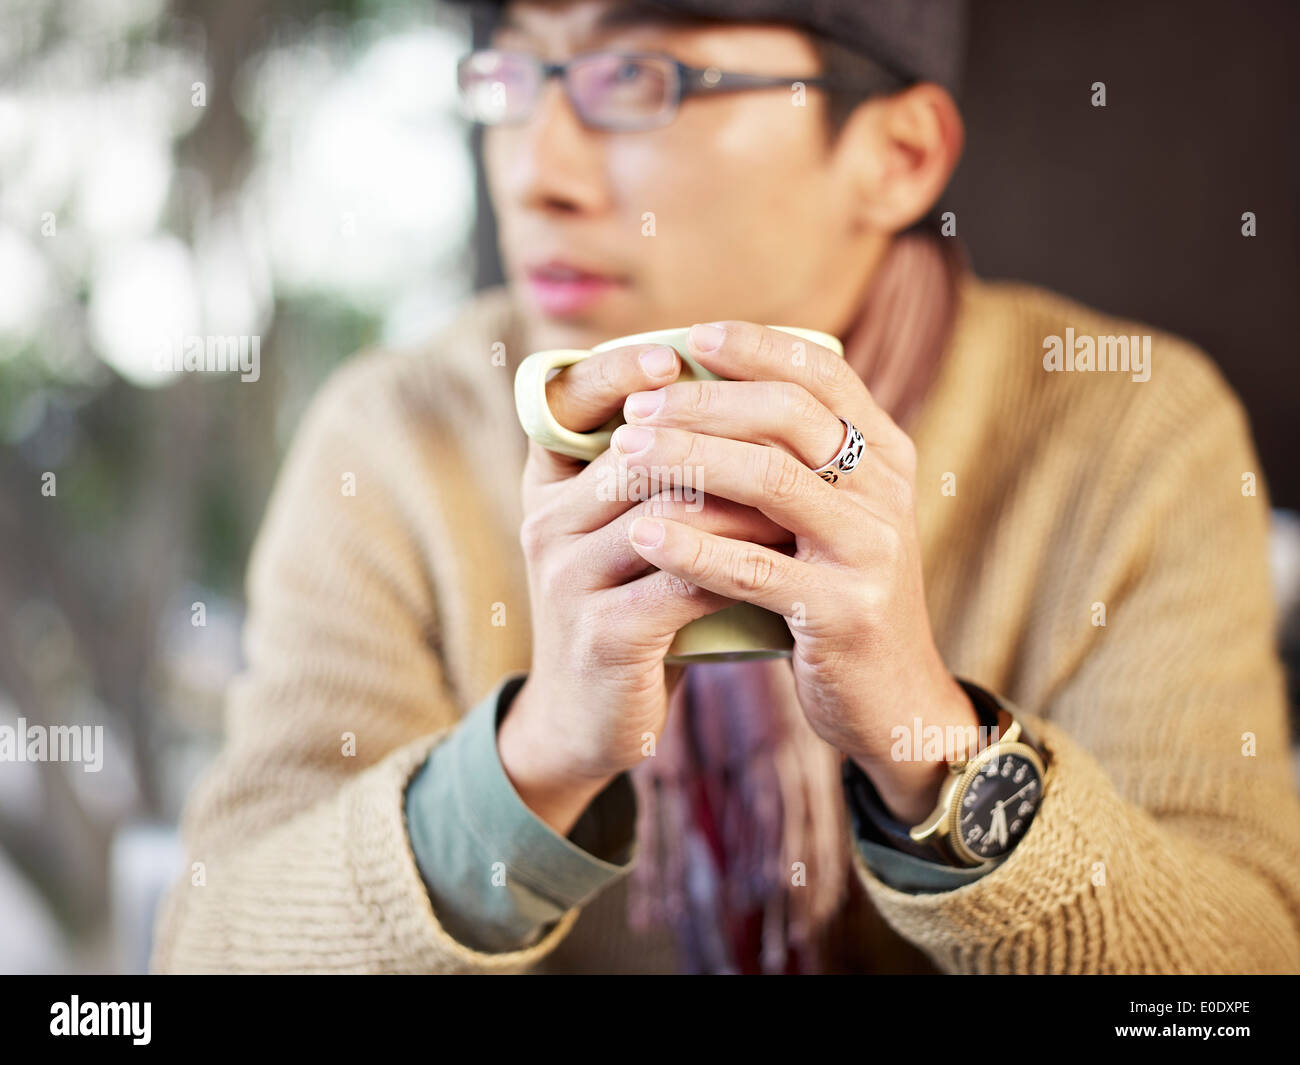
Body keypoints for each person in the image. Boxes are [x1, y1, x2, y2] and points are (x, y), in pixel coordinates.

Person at [149, 0, 1300, 974]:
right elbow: (208, 944)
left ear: (896, 158)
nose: (533, 171)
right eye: (513, 75)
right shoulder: (399, 437)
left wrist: (929, 743)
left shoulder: (1121, 431)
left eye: (636, 76)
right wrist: (537, 756)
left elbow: (1235, 972)